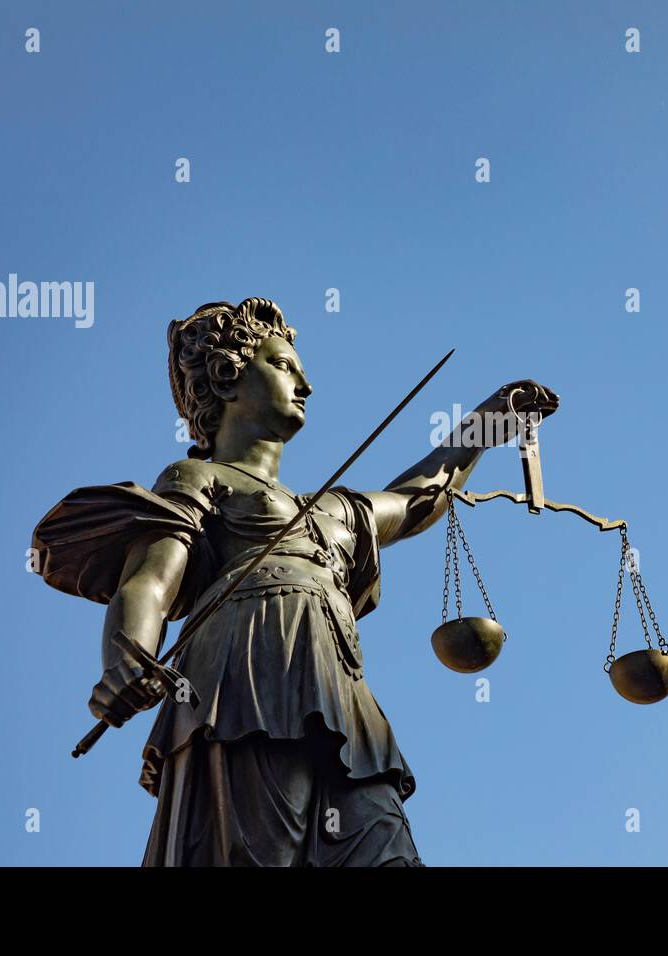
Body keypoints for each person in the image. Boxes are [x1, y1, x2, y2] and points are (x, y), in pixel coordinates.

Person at [31, 297, 558, 866]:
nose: (305, 381)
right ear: (228, 377)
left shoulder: (332, 508)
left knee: (387, 854)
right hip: (244, 681)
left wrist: (486, 424)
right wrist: (126, 659)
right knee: (258, 855)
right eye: (284, 364)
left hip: (340, 696)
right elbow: (150, 581)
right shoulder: (199, 476)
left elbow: (413, 502)